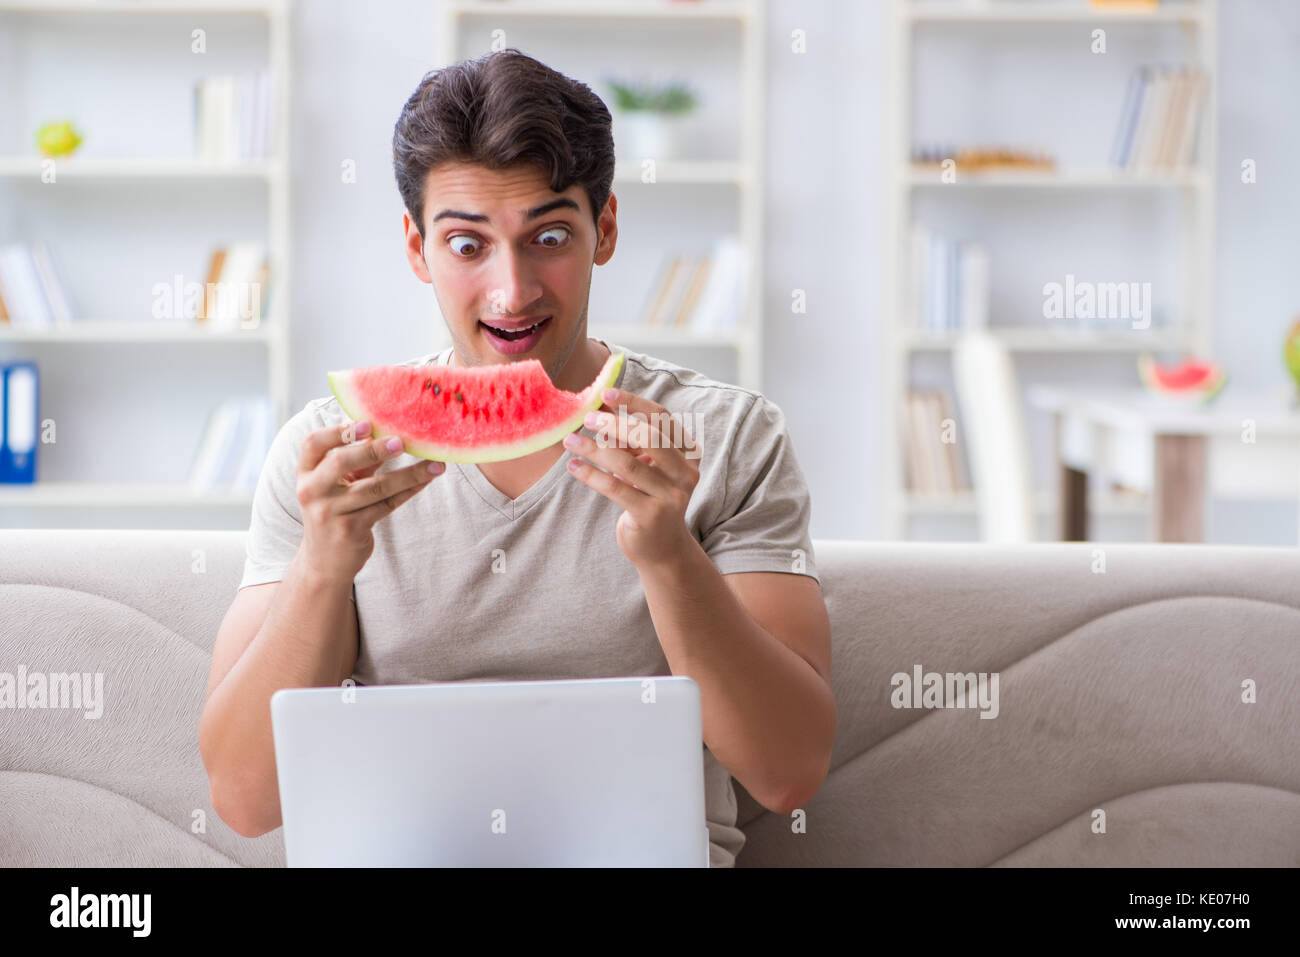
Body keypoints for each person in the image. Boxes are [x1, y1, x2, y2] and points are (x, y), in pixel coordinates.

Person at [199, 48, 834, 868]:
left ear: (604, 230)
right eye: (468, 246)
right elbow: (246, 799)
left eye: (550, 236)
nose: (512, 290)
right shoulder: (331, 461)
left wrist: (669, 554)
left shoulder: (726, 437)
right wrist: (324, 565)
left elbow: (789, 772)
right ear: (417, 248)